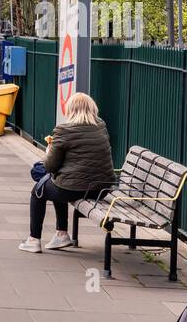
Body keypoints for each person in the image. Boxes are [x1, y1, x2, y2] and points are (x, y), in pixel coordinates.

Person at [19, 91, 115, 252]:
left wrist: (50, 149)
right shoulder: (101, 126)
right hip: (101, 189)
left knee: (38, 189)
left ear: (70, 109)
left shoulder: (63, 130)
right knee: (52, 178)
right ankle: (61, 234)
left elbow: (51, 166)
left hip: (73, 188)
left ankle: (34, 239)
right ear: (92, 109)